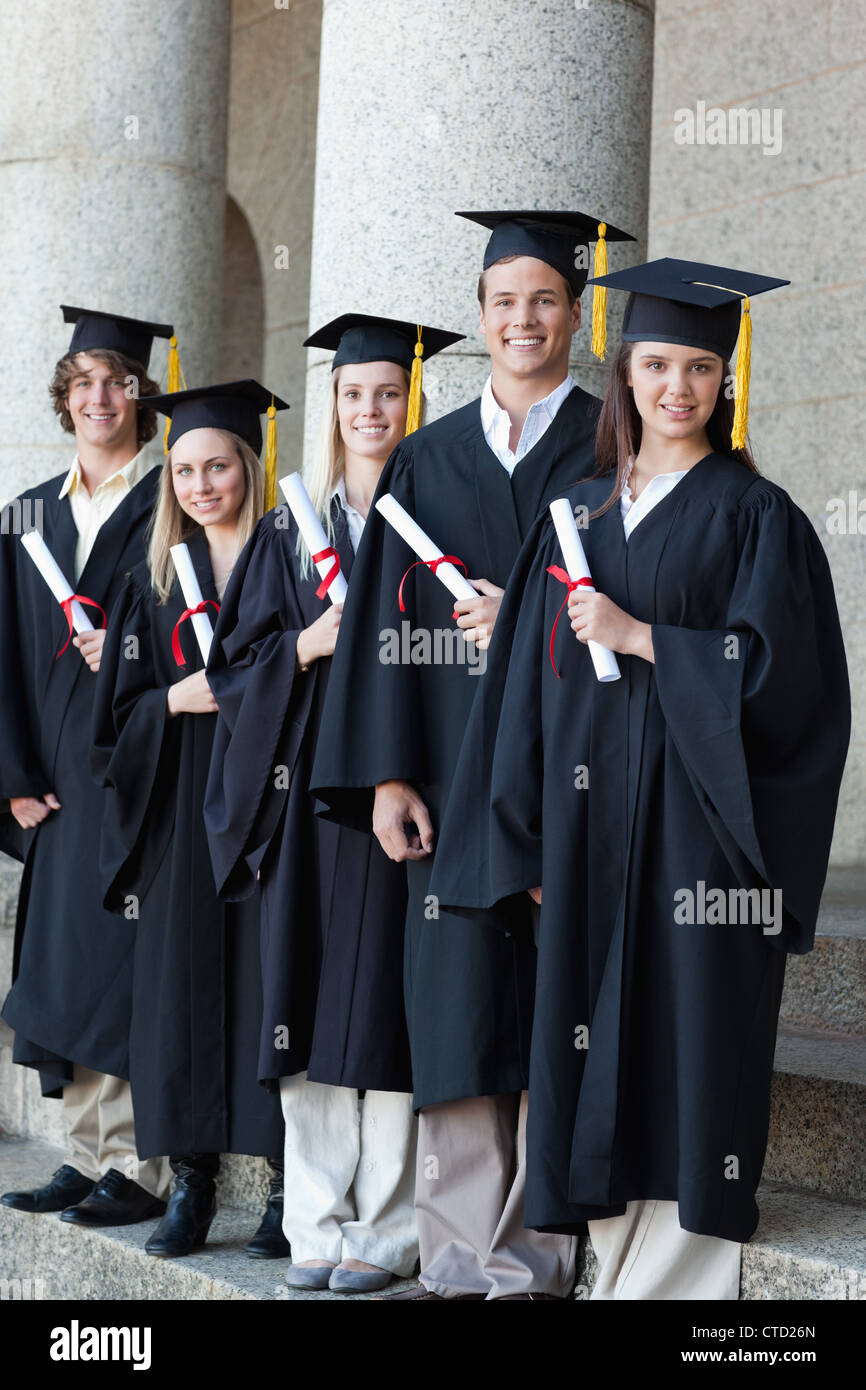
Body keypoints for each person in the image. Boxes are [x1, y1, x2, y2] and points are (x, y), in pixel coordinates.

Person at [429, 258, 851, 1299]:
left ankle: (676, 1284)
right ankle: (605, 1274)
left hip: (697, 837)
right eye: (656, 363)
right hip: (582, 843)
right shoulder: (572, 514)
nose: (677, 386)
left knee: (691, 1037)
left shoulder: (756, 517)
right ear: (624, 373)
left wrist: (644, 635)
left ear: (723, 379)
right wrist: (519, 835)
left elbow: (784, 683)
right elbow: (520, 694)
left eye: (699, 366)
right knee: (584, 1046)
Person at [310, 213, 634, 1300]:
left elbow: (636, 609)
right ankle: (456, 1258)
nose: (522, 320)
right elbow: (372, 639)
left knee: (547, 1005)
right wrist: (387, 776)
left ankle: (535, 1251)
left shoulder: (607, 445)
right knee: (452, 1013)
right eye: (503, 300)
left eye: (544, 298)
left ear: (574, 312)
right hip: (446, 780)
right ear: (479, 314)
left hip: (562, 783)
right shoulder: (426, 454)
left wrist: (534, 617)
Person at [205, 316, 461, 1294]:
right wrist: (305, 647)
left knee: (387, 1011)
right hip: (303, 796)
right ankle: (316, 1224)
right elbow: (233, 672)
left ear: (412, 403)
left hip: (395, 796)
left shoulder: (431, 516)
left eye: (388, 394)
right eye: (354, 395)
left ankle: (389, 1229)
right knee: (306, 1007)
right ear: (334, 408)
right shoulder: (287, 529)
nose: (370, 411)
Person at [90, 381, 290, 1259]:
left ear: (248, 466)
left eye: (217, 466)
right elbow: (117, 719)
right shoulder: (152, 581)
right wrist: (173, 698)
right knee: (179, 992)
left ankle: (289, 1187)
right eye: (184, 471)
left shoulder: (285, 564)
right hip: (179, 803)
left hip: (267, 802)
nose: (202, 485)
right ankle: (194, 1186)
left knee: (270, 986)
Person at [1, 306, 175, 1226]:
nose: (100, 397)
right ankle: (84, 1154)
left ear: (142, 393)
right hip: (57, 778)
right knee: (68, 960)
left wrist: (137, 656)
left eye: (116, 380)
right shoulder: (27, 511)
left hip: (140, 762)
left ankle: (138, 1165)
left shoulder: (176, 496)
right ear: (64, 400)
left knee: (124, 957)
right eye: (82, 384)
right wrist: (11, 775)